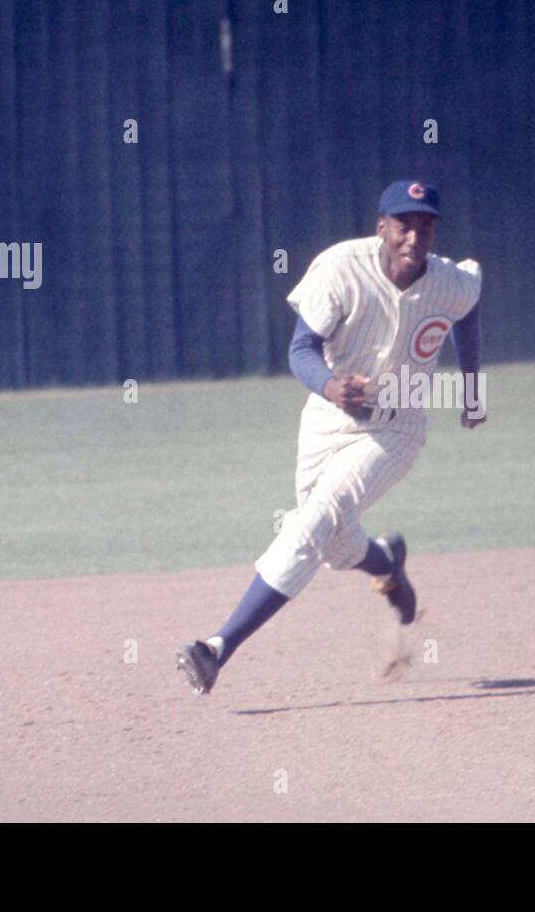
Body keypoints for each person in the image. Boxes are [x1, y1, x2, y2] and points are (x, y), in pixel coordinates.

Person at [175, 179, 485, 696]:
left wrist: (473, 388)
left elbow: (468, 309)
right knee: (336, 547)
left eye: (425, 227)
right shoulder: (341, 269)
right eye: (403, 226)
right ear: (382, 227)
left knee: (313, 524)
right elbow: (301, 350)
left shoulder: (449, 281)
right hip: (326, 418)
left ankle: (215, 649)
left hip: (396, 427)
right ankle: (387, 564)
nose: (414, 238)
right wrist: (329, 385)